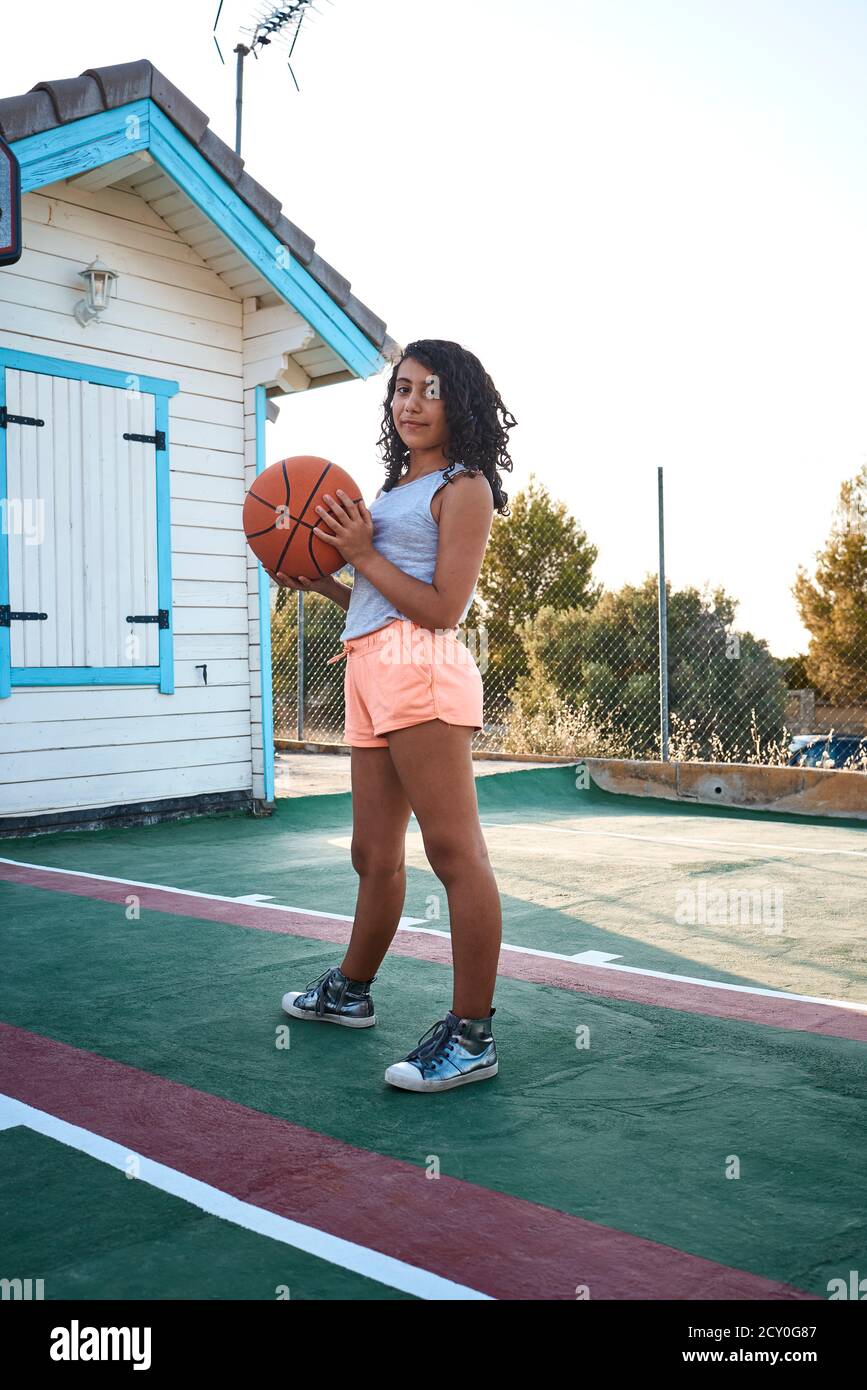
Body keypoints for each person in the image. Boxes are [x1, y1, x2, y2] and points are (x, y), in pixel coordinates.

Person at [266, 339, 516, 1093]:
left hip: (421, 671)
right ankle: (350, 991)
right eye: (401, 389)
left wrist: (359, 556)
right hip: (370, 666)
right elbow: (377, 602)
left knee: (453, 852)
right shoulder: (391, 490)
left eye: (428, 391)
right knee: (371, 853)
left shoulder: (463, 487)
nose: (409, 403)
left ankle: (472, 1035)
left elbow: (442, 610)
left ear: (458, 403)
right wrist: (325, 586)